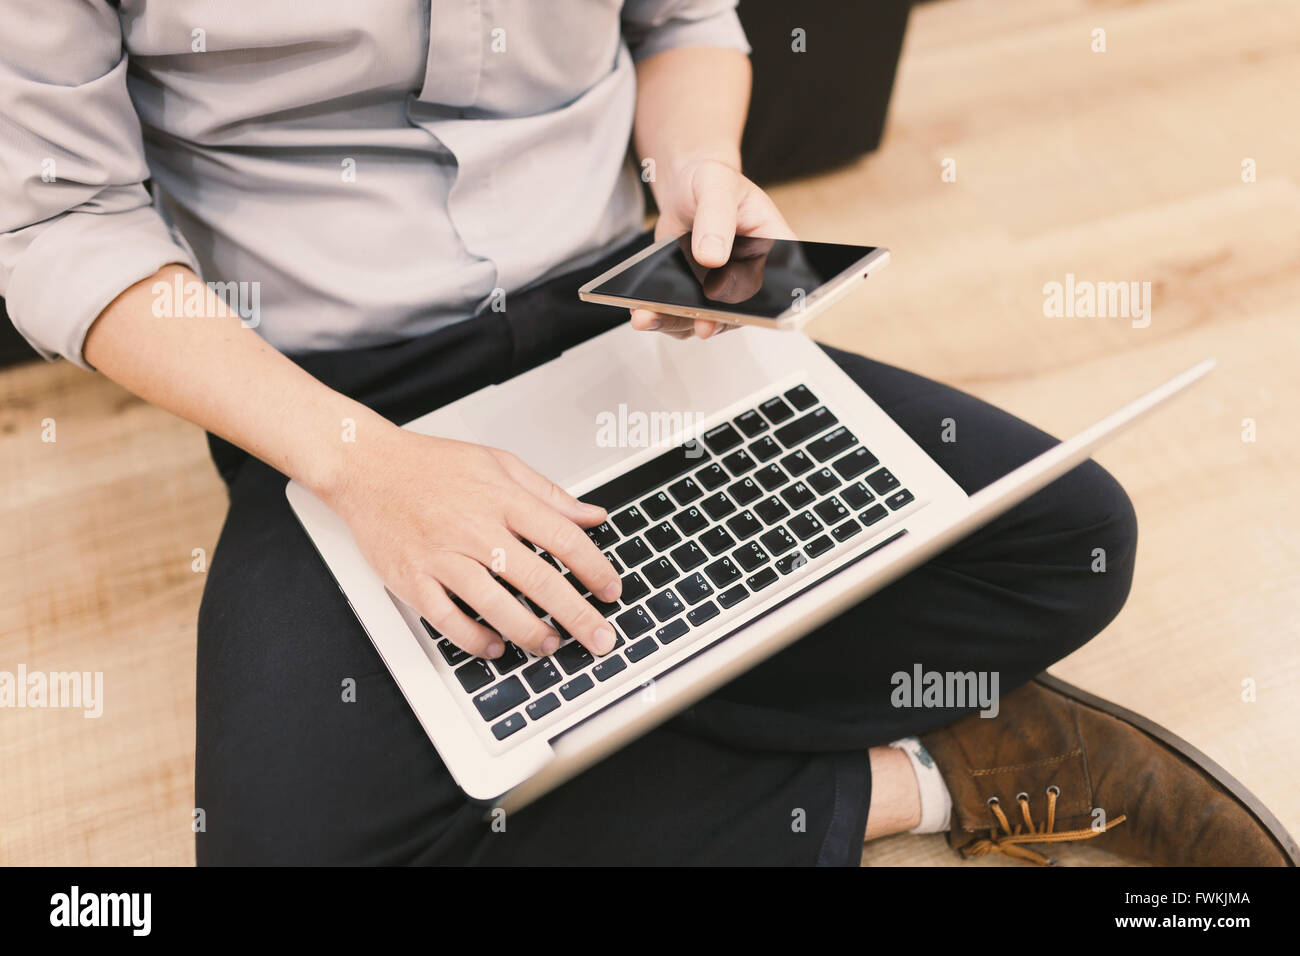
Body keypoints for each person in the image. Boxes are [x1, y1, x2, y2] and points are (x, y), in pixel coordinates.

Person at [1, 2, 1290, 866]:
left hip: (623, 313)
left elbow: (683, 23)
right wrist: (361, 463)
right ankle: (946, 774)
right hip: (332, 393)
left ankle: (584, 723)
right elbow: (61, 222)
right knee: (284, 851)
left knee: (1069, 543)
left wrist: (696, 172)